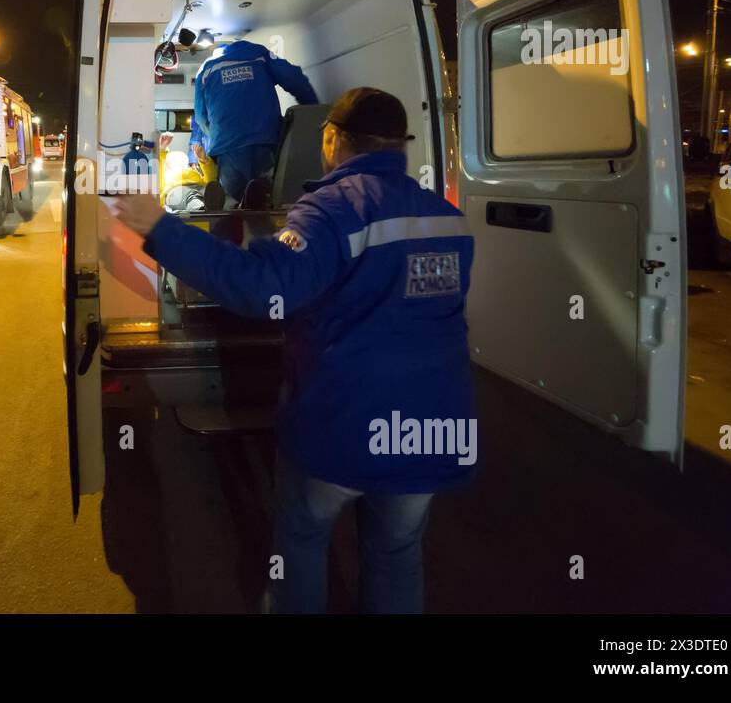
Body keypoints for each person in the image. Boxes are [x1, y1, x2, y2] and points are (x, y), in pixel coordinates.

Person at [112, 88, 476, 614]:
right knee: (396, 555)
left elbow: (262, 286)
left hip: (347, 424)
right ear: (400, 146)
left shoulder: (331, 211)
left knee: (303, 540)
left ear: (332, 139)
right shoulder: (447, 218)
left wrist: (161, 229)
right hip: (432, 428)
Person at [192, 40, 318, 206]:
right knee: (267, 199)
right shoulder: (259, 54)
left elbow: (200, 117)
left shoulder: (206, 68)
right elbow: (293, 77)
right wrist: (313, 109)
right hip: (265, 139)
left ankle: (235, 209)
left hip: (228, 148)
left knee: (233, 203)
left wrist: (217, 134)